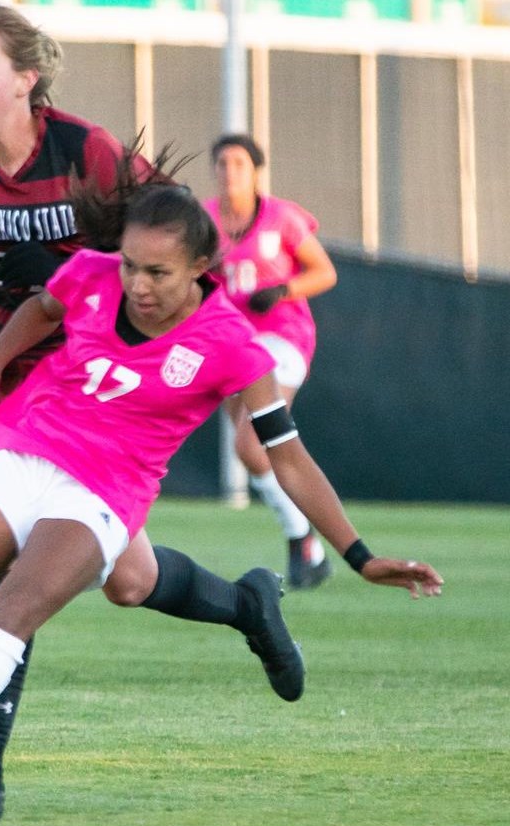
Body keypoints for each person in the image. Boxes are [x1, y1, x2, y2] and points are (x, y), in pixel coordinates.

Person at [0, 178, 443, 821]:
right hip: (24, 448)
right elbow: (44, 311)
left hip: (104, 492)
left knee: (10, 610)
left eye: (157, 272)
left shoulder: (232, 346)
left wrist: (360, 557)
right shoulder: (91, 273)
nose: (137, 284)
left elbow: (288, 456)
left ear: (200, 268)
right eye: (131, 264)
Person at [0, 2, 268, 822]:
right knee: (72, 577)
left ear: (28, 76)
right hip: (13, 392)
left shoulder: (85, 152)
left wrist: (92, 278)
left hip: (91, 384)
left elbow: (184, 247)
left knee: (118, 581)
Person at [204, 134, 339, 590]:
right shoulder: (205, 221)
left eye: (239, 162)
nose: (229, 171)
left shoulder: (280, 217)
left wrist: (283, 290)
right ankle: (306, 543)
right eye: (222, 163)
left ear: (255, 170)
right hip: (230, 341)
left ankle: (303, 536)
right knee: (262, 449)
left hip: (283, 337)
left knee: (249, 444)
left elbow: (324, 272)